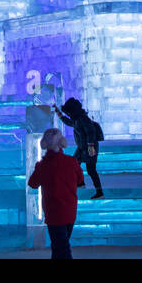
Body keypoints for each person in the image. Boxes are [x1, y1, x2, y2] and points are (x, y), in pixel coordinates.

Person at [27, 128, 84, 259]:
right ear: (61, 142)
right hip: (70, 211)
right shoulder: (71, 161)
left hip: (53, 213)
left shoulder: (42, 166)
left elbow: (32, 184)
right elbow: (80, 180)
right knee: (61, 246)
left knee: (60, 247)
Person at [55, 97, 104, 198]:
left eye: (69, 112)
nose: (68, 114)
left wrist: (91, 148)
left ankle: (99, 192)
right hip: (82, 148)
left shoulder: (83, 119)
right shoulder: (77, 119)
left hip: (89, 148)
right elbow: (69, 122)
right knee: (74, 164)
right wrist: (58, 113)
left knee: (91, 170)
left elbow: (90, 133)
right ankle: (80, 183)